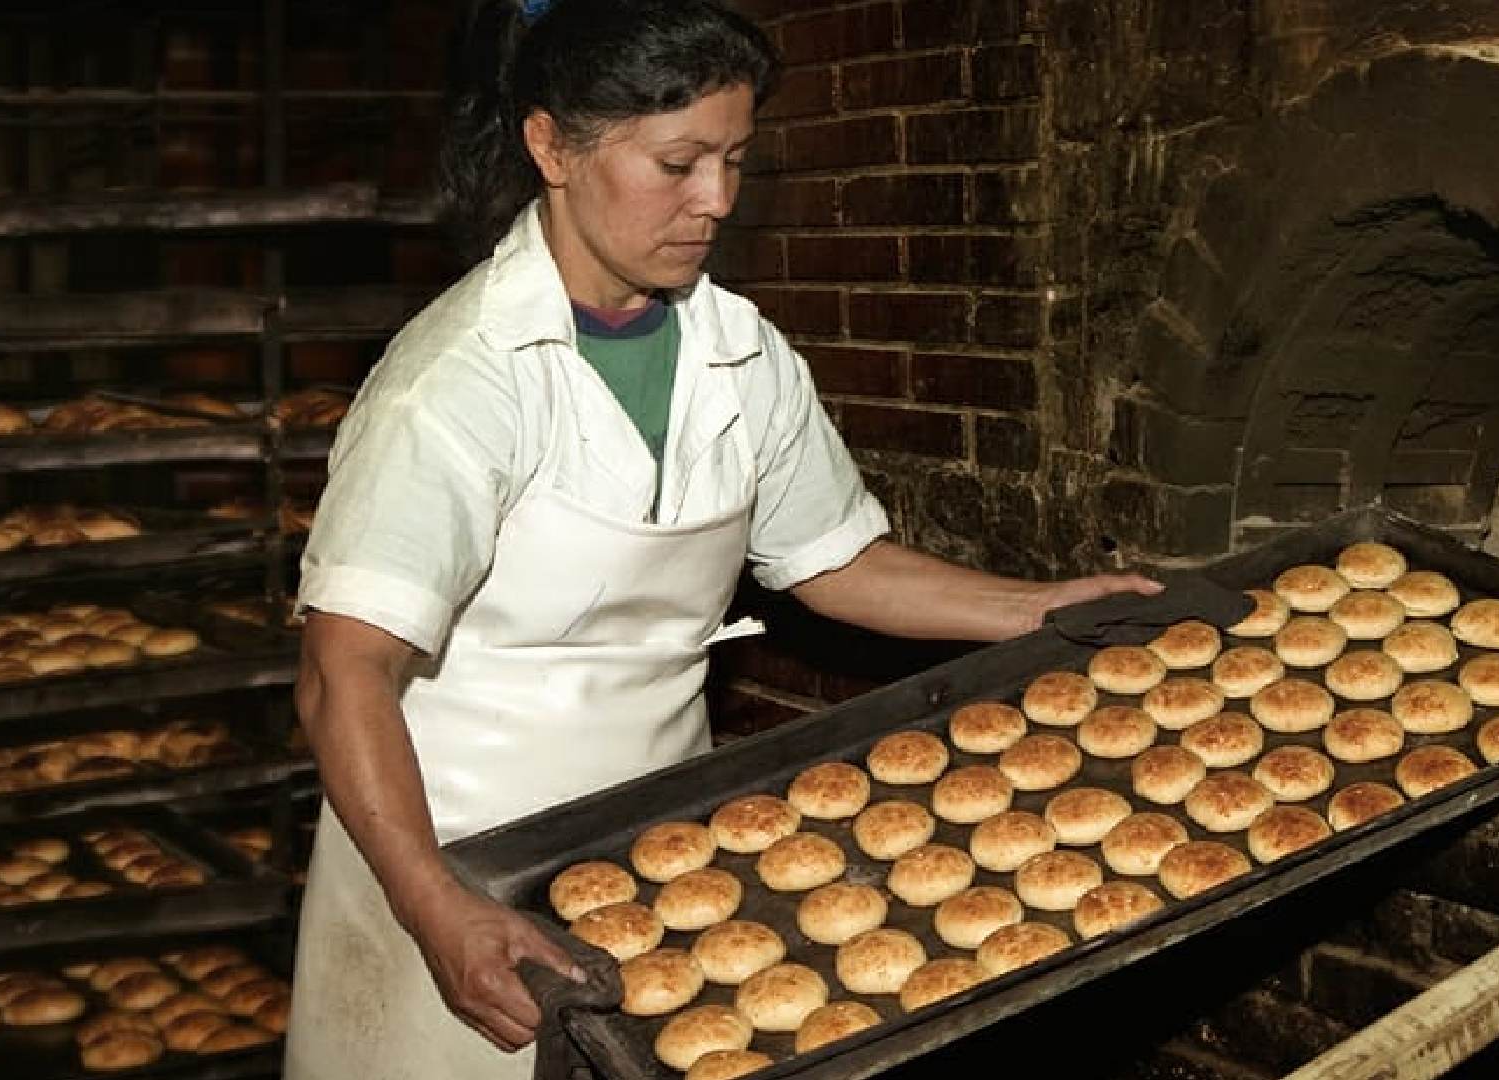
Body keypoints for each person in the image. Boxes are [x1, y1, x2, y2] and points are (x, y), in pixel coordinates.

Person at [281, 3, 1160, 1077]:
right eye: (678, 162)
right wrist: (432, 907)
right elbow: (344, 674)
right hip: (454, 853)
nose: (717, 202)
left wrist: (1042, 608)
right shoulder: (458, 383)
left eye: (736, 160)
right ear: (550, 146)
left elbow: (837, 561)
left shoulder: (738, 349)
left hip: (656, 840)